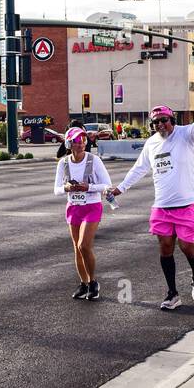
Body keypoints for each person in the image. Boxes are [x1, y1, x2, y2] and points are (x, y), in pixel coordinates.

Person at [107, 103, 194, 309]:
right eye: (156, 122)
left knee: (187, 247)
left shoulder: (185, 135)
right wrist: (120, 188)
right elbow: (139, 168)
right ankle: (172, 293)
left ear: (172, 120)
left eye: (164, 120)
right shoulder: (151, 144)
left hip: (187, 203)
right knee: (165, 248)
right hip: (162, 205)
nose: (160, 125)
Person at [54, 125, 113, 301]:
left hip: (92, 206)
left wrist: (89, 187)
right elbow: (56, 189)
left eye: (83, 140)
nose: (81, 144)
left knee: (84, 245)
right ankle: (83, 283)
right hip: (73, 208)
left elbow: (107, 185)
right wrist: (67, 187)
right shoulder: (63, 163)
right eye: (77, 141)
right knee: (76, 249)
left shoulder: (94, 161)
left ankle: (93, 282)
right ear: (69, 144)